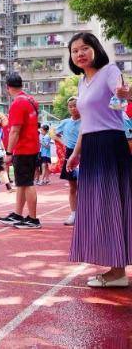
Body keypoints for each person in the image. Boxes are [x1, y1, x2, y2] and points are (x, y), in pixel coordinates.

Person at [65, 32, 131, 287]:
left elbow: (121, 95)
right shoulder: (83, 82)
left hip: (109, 144)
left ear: (95, 49)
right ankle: (116, 267)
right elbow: (86, 123)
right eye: (74, 51)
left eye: (84, 48)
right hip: (92, 146)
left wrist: (125, 93)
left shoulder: (109, 70)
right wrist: (76, 153)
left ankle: (118, 271)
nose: (79, 54)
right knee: (98, 206)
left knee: (112, 203)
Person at [0, 73, 41, 229]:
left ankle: (33, 219)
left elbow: (15, 130)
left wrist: (9, 153)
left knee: (27, 183)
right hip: (32, 146)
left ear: (7, 87)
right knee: (22, 183)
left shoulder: (18, 103)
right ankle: (18, 214)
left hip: (24, 148)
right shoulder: (31, 100)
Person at [53, 96, 81, 226]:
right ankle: (74, 214)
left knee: (86, 186)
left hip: (84, 153)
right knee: (72, 186)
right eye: (70, 106)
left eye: (75, 105)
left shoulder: (86, 121)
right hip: (70, 154)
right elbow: (54, 135)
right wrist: (63, 143)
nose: (73, 108)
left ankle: (86, 212)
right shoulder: (65, 122)